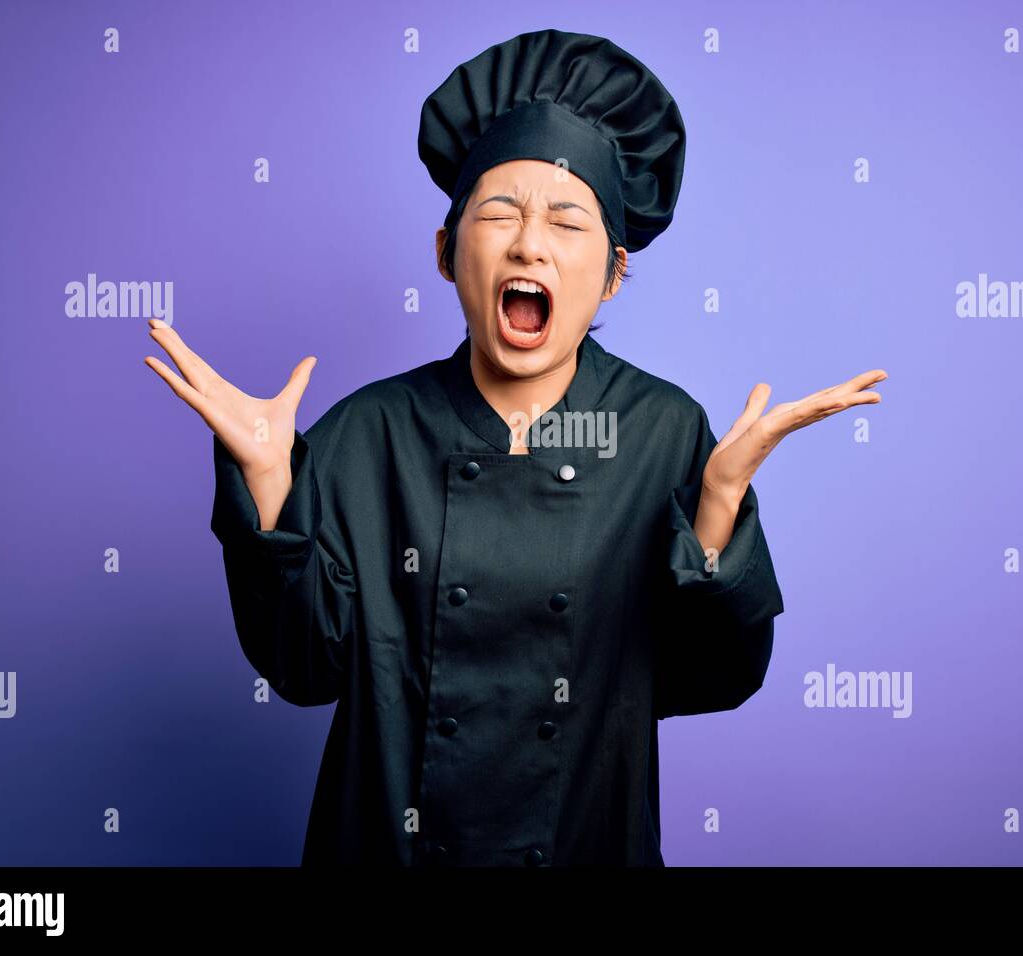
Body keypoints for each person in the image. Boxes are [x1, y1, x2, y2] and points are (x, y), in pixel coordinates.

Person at [144, 28, 886, 866]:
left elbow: (713, 679)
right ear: (445, 251)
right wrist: (271, 485)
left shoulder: (663, 431)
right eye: (499, 213)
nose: (529, 242)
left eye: (567, 221)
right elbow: (306, 670)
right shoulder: (372, 431)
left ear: (611, 271)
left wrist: (716, 509)